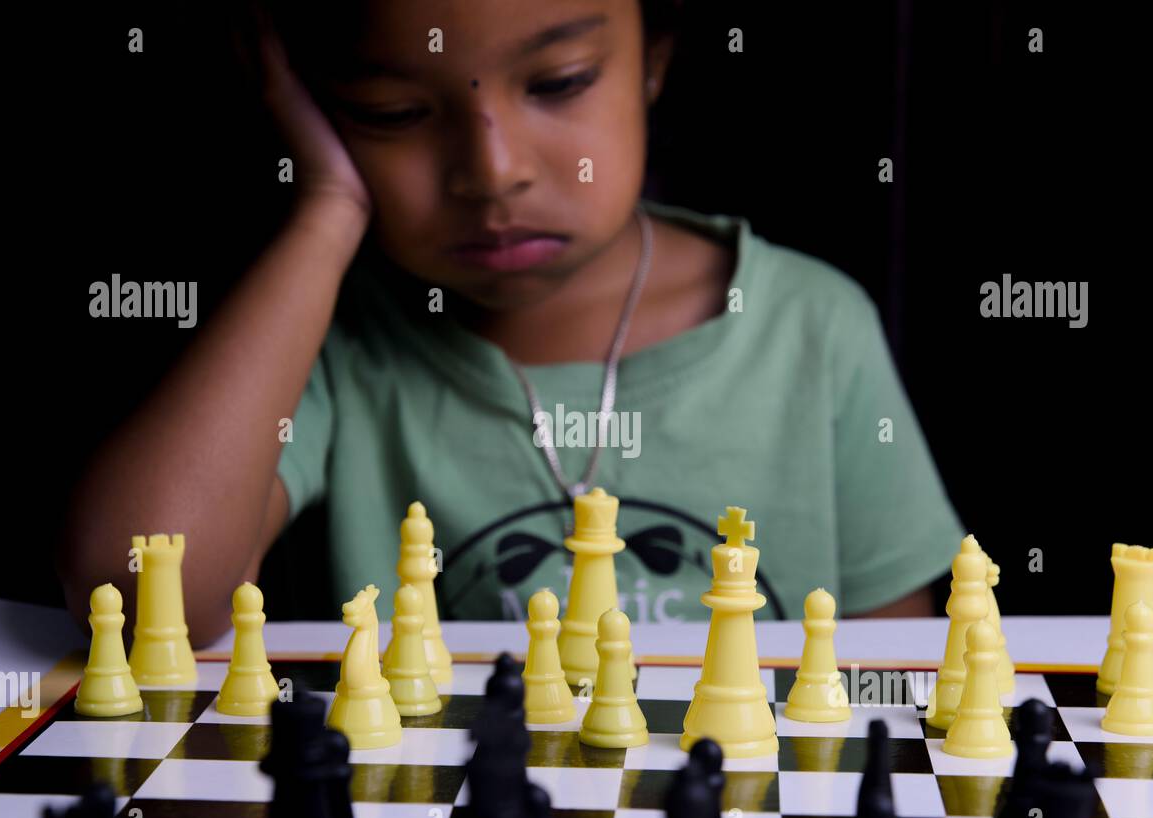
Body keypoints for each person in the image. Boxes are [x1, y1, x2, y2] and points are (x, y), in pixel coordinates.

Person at [56, 0, 963, 645]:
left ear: (653, 56)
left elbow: (899, 685)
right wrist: (325, 208)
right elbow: (138, 595)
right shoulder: (333, 346)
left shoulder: (813, 327)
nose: (491, 171)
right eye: (394, 113)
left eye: (560, 82)